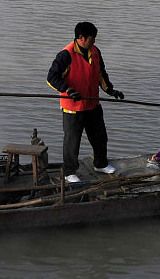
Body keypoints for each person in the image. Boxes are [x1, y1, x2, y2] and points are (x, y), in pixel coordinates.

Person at [45, 22, 124, 183]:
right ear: (81, 38)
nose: (94, 42)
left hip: (93, 104)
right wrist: (67, 90)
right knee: (72, 141)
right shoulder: (65, 55)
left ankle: (100, 164)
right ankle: (69, 172)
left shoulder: (95, 51)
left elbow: (101, 73)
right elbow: (51, 78)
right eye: (92, 39)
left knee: (100, 137)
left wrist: (110, 90)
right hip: (73, 107)